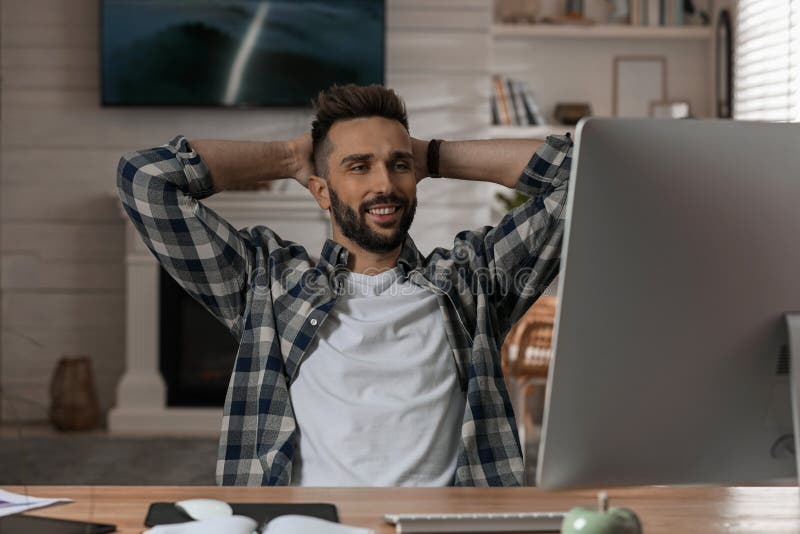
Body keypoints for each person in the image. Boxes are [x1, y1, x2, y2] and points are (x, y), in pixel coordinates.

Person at [116, 84, 573, 486]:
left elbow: (577, 174)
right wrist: (289, 157)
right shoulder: (266, 285)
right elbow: (146, 179)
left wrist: (431, 155)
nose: (385, 184)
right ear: (320, 191)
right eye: (359, 167)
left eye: (398, 166)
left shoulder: (473, 282)